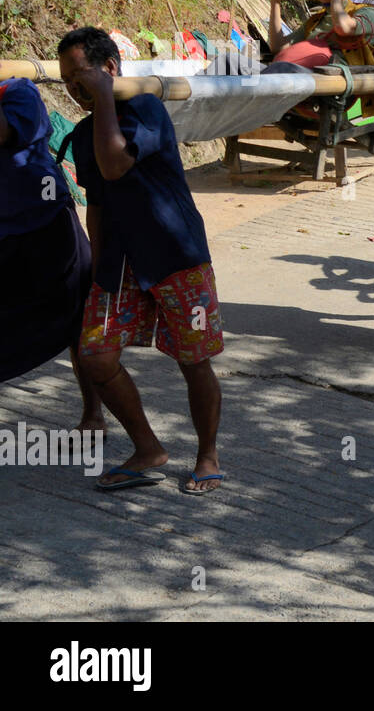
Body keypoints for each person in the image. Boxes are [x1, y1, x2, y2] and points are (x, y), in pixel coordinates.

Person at [57, 27, 226, 494]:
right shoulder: (82, 133)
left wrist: (105, 96)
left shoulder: (145, 109)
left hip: (176, 255)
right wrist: (95, 268)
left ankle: (207, 455)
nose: (75, 88)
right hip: (119, 264)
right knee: (95, 356)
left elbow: (115, 164)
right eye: (68, 80)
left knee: (194, 360)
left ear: (110, 68)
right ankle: (148, 447)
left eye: (82, 75)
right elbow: (98, 200)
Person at [0, 77, 102, 429]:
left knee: (77, 318)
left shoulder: (18, 91)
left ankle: (94, 414)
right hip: (5, 234)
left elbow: (5, 134)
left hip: (48, 228)